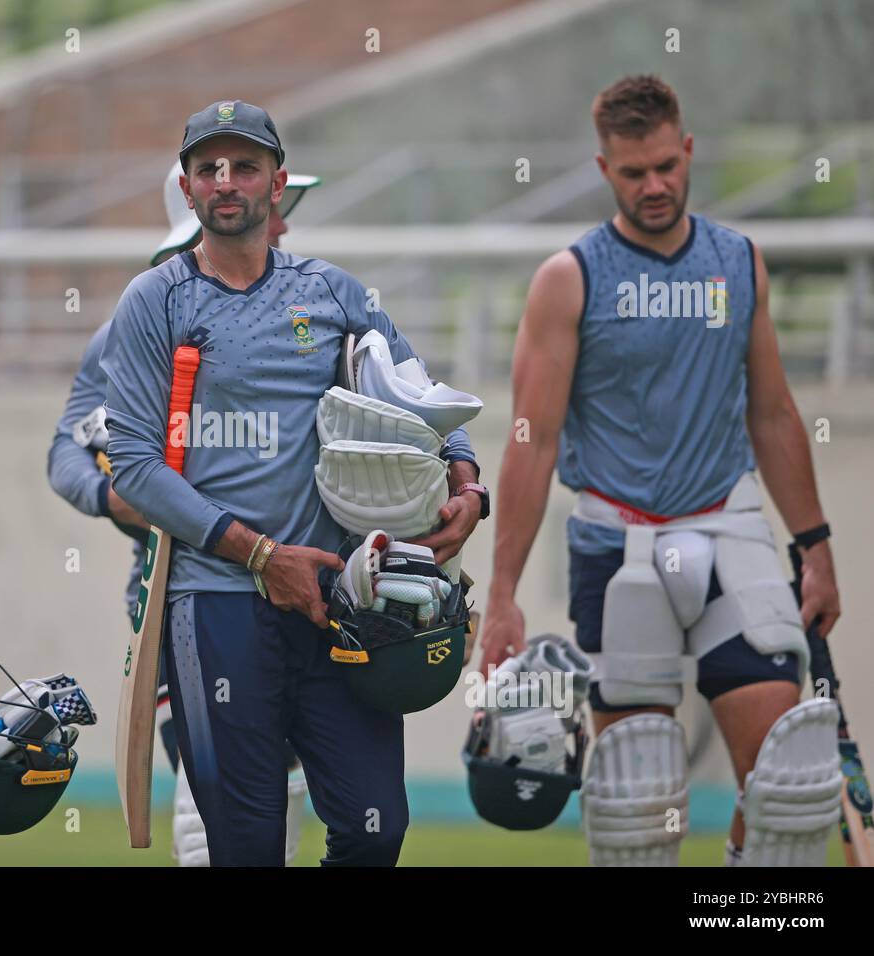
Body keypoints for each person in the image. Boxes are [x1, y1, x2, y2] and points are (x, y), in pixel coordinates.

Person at [100, 100, 486, 866]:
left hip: (343, 600)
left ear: (277, 184)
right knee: (246, 845)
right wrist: (260, 555)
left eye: (245, 166)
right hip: (215, 604)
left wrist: (469, 488)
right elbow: (137, 465)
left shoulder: (336, 292)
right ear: (187, 188)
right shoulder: (155, 301)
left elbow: (425, 398)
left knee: (377, 830)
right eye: (209, 168)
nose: (226, 181)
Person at [481, 75, 842, 865]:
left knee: (789, 785)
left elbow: (775, 414)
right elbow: (530, 440)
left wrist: (815, 548)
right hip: (618, 548)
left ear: (687, 151)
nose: (654, 186)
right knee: (636, 811)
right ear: (605, 169)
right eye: (633, 172)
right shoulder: (568, 279)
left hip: (729, 528)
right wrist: (501, 594)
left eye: (665, 168)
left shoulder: (738, 262)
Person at [47, 161, 320, 866]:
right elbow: (67, 453)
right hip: (179, 595)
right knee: (214, 809)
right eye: (280, 207)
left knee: (279, 802)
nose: (284, 221)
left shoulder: (299, 307)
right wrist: (119, 499)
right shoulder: (131, 326)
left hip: (291, 589)